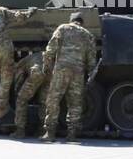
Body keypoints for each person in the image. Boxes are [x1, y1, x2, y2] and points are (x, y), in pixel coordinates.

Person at [40, 11, 98, 142]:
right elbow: (91, 60)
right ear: (82, 22)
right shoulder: (88, 35)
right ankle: (72, 134)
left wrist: (46, 66)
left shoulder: (63, 28)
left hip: (61, 70)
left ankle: (50, 133)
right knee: (75, 103)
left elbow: (50, 50)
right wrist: (91, 74)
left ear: (71, 20)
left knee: (53, 100)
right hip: (78, 73)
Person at [10, 50, 49, 139]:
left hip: (37, 73)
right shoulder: (40, 54)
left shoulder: (22, 63)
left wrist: (17, 91)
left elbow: (18, 79)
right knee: (44, 102)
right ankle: (43, 130)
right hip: (49, 74)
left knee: (21, 99)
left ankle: (20, 131)